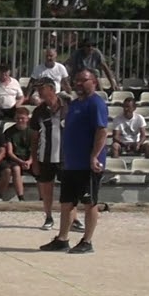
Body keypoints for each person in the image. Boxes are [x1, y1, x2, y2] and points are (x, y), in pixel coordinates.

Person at [40, 70, 107, 254]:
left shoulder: (96, 103)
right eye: (76, 80)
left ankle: (87, 240)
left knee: (89, 202)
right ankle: (62, 239)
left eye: (83, 80)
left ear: (93, 81)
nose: (78, 83)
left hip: (88, 164)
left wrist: (94, 156)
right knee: (67, 202)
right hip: (71, 163)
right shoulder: (75, 104)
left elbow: (102, 132)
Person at [27, 78, 77, 231]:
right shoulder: (38, 111)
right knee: (47, 188)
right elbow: (34, 138)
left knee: (70, 190)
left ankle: (73, 219)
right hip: (45, 156)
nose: (39, 92)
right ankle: (48, 216)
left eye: (41, 88)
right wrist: (34, 160)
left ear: (51, 88)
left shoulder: (68, 107)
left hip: (66, 156)